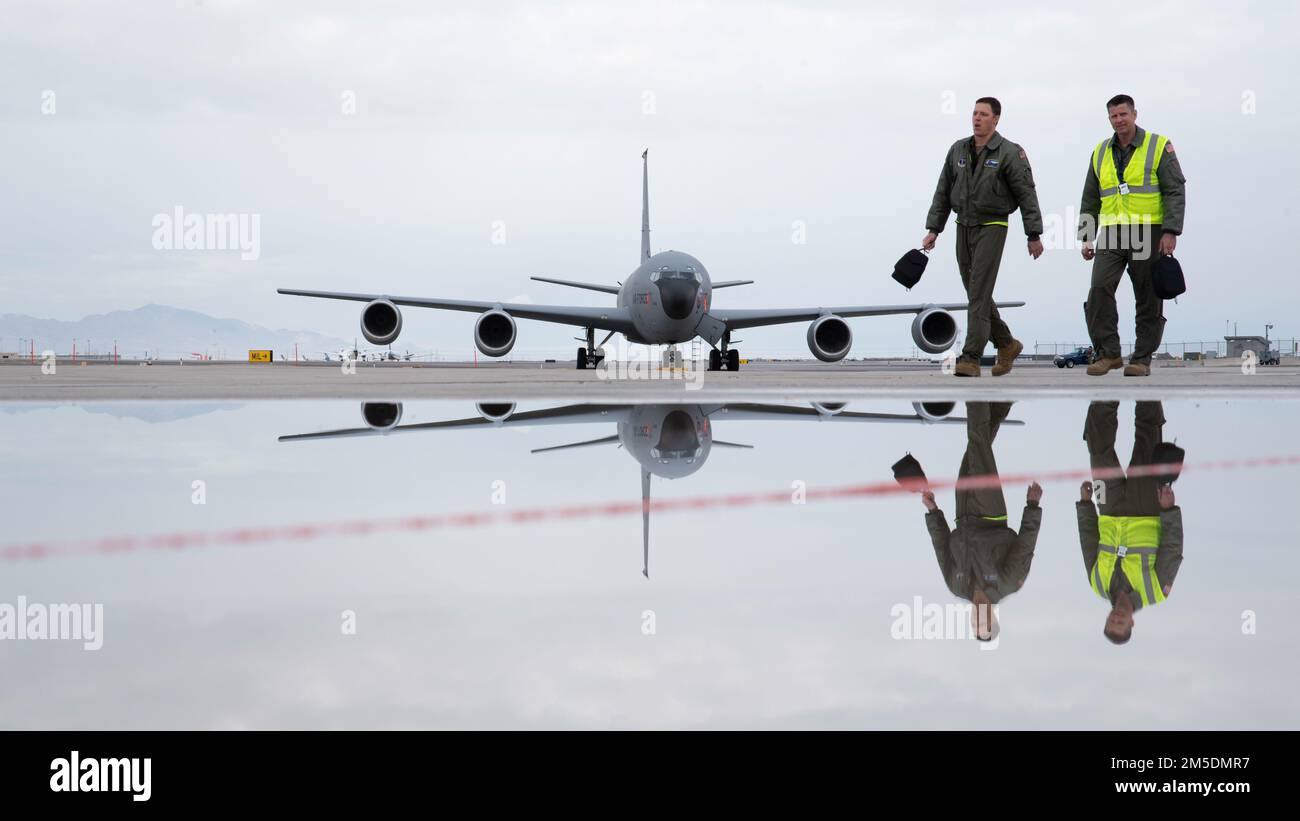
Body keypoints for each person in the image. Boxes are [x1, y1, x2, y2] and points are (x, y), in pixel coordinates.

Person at [923, 97, 1044, 377]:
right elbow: (942, 191)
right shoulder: (958, 150)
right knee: (975, 291)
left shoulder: (1010, 152)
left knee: (978, 291)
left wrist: (1033, 233)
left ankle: (971, 357)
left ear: (996, 119)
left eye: (983, 114)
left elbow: (1027, 193)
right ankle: (1006, 342)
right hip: (962, 224)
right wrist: (934, 229)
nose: (977, 118)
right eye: (974, 113)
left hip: (993, 224)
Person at [1078, 94, 1187, 377]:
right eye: (1114, 116)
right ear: (1109, 119)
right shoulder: (1100, 152)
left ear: (1135, 114)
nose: (1119, 120)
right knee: (1099, 289)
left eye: (1123, 114)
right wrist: (1087, 236)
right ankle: (1108, 354)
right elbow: (1090, 198)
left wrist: (1171, 231)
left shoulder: (1158, 145)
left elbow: (1175, 190)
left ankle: (1141, 358)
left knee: (1147, 296)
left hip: (1148, 231)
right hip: (1112, 233)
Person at [918, 402, 1043, 641]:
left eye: (974, 623)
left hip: (962, 513)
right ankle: (977, 393)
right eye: (984, 622)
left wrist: (933, 511)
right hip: (991, 512)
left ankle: (1001, 403)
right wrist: (1032, 507)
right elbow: (1025, 546)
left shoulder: (956, 586)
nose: (977, 618)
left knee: (976, 449)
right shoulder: (1008, 585)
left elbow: (941, 548)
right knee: (977, 446)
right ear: (993, 619)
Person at [1077, 401, 1185, 644]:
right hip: (1145, 508)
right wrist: (1169, 511)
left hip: (1108, 508)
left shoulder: (1097, 584)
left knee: (1098, 453)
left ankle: (1103, 394)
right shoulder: (1156, 592)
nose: (1116, 617)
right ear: (1131, 622)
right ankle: (1146, 388)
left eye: (1111, 621)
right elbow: (1172, 550)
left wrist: (1085, 505)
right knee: (1147, 444)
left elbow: (1088, 542)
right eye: (1120, 622)